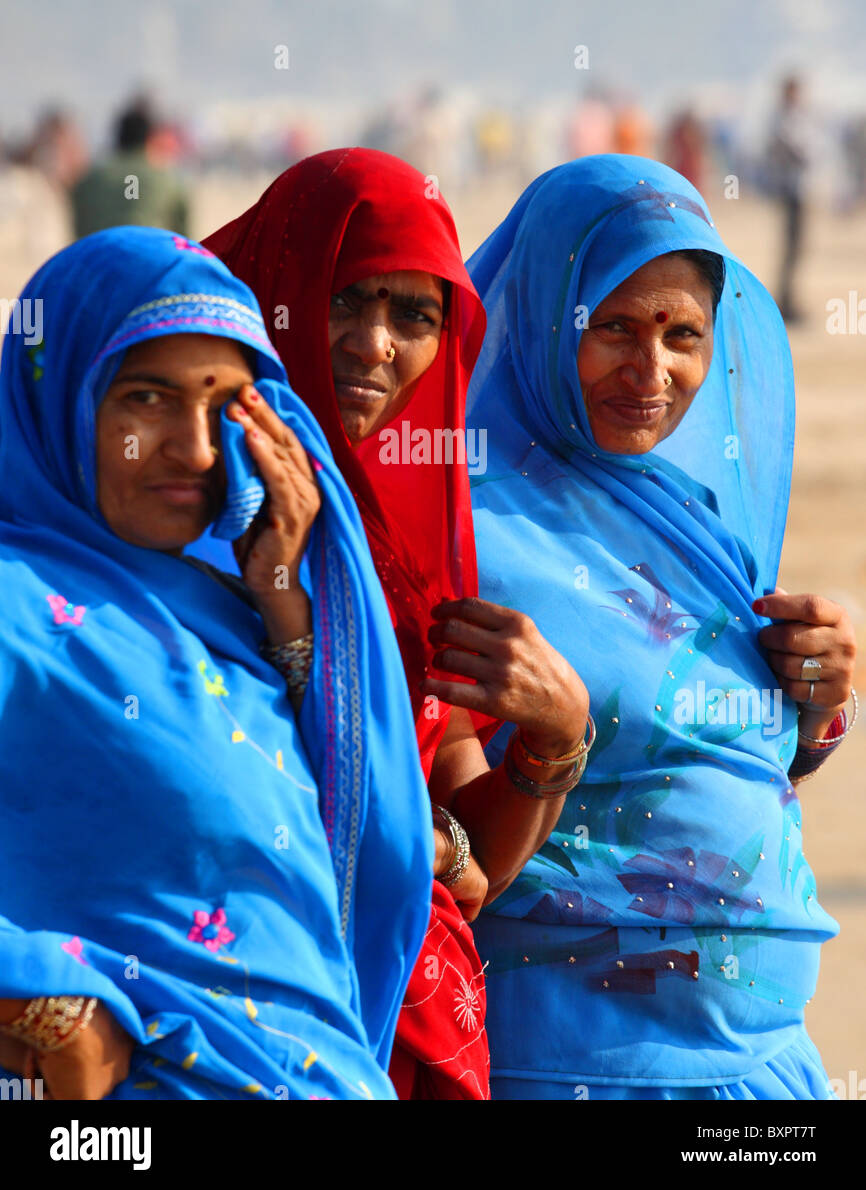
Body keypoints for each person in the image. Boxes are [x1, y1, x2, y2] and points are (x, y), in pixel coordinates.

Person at [0, 226, 432, 1100]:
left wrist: (285, 599)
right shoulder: (15, 603)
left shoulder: (230, 612)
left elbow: (350, 852)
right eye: (147, 399)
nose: (196, 450)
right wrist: (39, 1001)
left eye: (224, 406)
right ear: (61, 398)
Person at [202, 148, 594, 1099]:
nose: (375, 344)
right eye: (344, 298)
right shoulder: (180, 523)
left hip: (402, 1036)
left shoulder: (417, 542)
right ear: (274, 294)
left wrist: (557, 734)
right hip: (232, 1023)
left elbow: (465, 859)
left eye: (415, 315)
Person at [465, 154, 857, 1100]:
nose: (653, 371)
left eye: (684, 334)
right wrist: (548, 747)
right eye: (614, 328)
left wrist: (817, 705)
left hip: (761, 1061)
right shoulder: (465, 538)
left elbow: (690, 750)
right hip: (578, 1060)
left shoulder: (695, 519)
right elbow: (442, 825)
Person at [71, 96, 189, 239]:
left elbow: (79, 228)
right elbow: (185, 240)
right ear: (149, 139)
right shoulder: (168, 180)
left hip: (99, 254)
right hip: (152, 256)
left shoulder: (89, 178)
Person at [765, 76, 811, 322]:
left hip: (799, 189)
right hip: (790, 189)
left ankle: (789, 299)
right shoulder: (781, 119)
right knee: (790, 248)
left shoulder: (796, 117)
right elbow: (797, 150)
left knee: (797, 248)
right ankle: (785, 302)